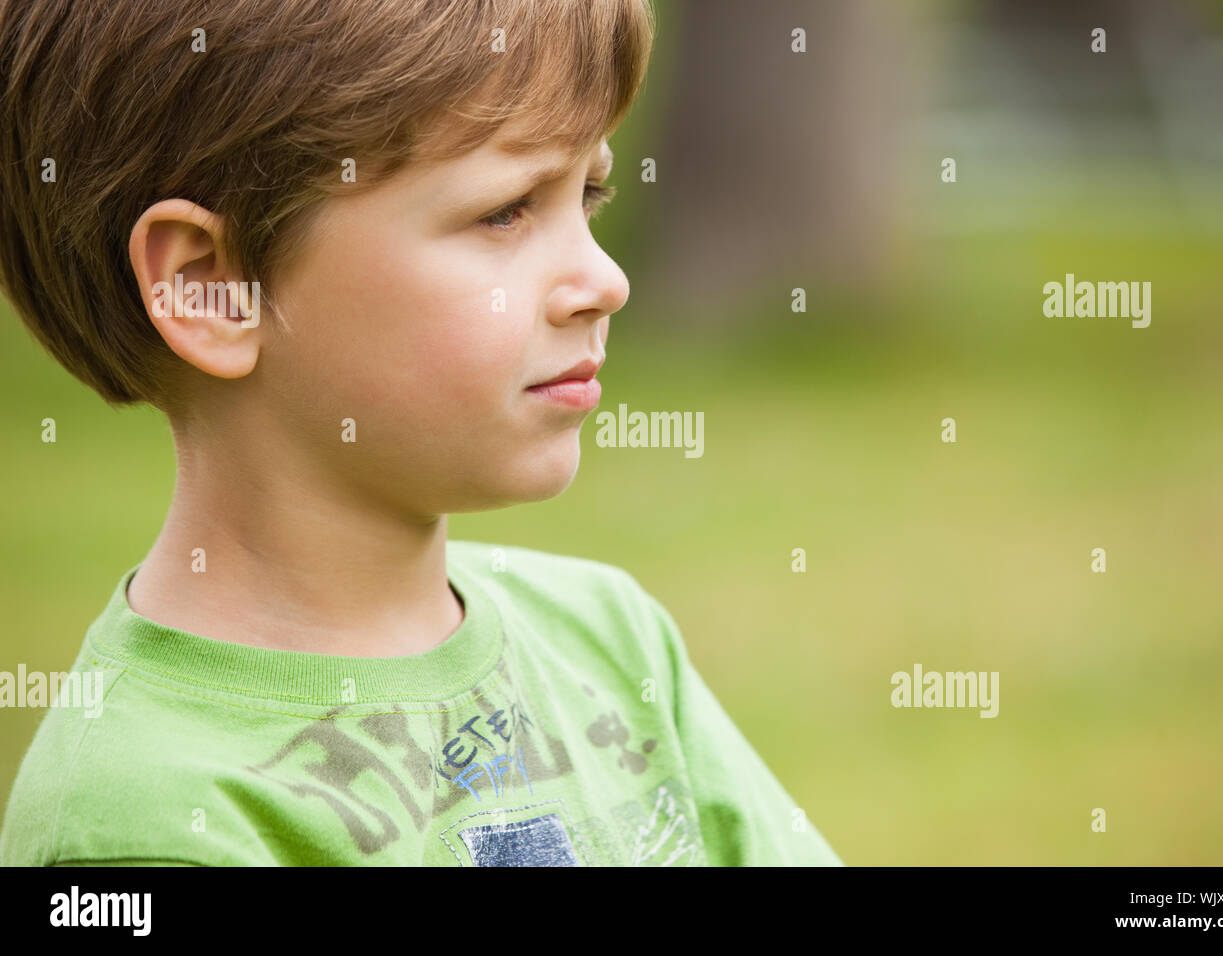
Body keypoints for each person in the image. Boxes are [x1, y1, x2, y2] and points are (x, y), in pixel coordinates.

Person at [0, 0, 842, 866]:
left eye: (588, 193)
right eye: (507, 211)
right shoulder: (147, 822)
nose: (605, 280)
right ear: (212, 286)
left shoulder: (612, 640)